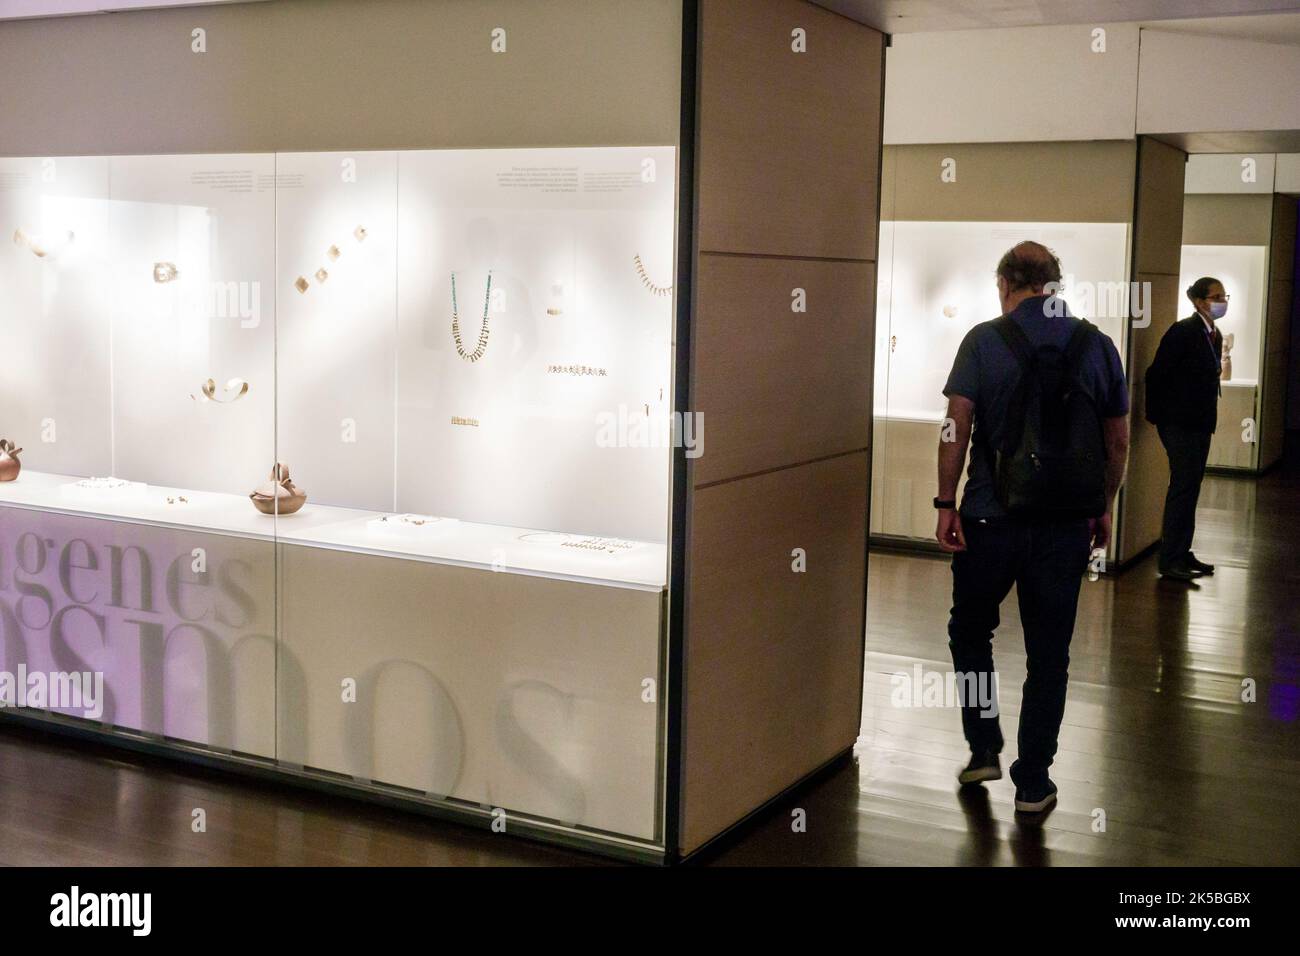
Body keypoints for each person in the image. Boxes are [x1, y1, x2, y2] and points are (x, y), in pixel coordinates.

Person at [934, 241, 1130, 814]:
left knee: (971, 632)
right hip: (1064, 525)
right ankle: (1033, 781)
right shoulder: (1097, 345)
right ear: (1055, 285)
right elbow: (1117, 438)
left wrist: (947, 502)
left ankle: (983, 746)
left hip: (989, 520)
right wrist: (1103, 505)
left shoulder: (983, 340)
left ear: (1005, 286)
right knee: (1050, 653)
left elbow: (956, 426)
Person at [1144, 277, 1226, 581]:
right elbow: (1157, 374)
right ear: (1200, 301)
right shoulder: (1183, 332)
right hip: (1181, 423)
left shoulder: (1211, 335)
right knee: (1182, 487)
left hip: (1200, 421)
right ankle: (1170, 558)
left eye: (1223, 296)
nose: (1221, 301)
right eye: (1216, 296)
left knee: (1191, 486)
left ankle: (1181, 551)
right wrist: (1162, 417)